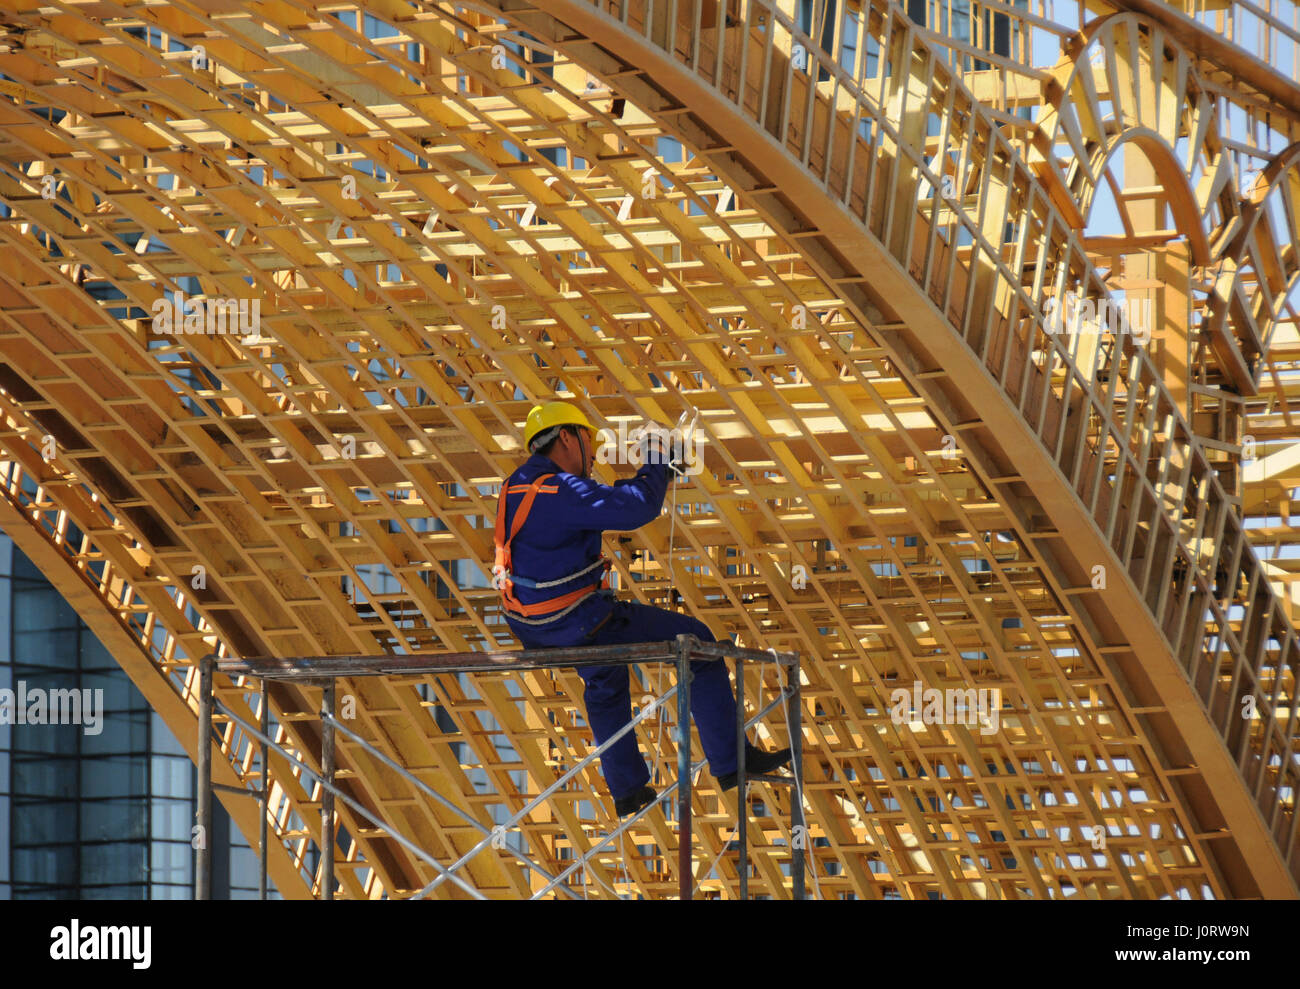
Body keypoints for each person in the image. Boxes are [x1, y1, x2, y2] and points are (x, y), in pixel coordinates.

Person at [493, 400, 791, 816]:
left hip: (532, 626)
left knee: (604, 677)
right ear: (565, 437)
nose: (594, 454)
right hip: (573, 619)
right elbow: (637, 507)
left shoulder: (514, 485)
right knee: (700, 644)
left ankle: (629, 790)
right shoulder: (557, 490)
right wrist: (656, 461)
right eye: (589, 441)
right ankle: (730, 763)